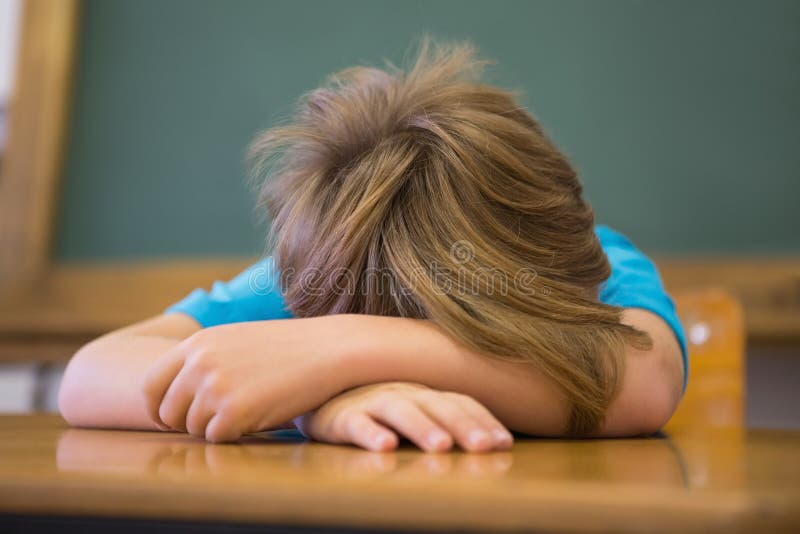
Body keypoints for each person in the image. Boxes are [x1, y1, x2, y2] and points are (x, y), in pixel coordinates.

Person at [58, 40, 687, 453]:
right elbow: (90, 375)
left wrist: (338, 355)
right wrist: (323, 402)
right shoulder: (325, 270)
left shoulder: (595, 261)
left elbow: (644, 378)